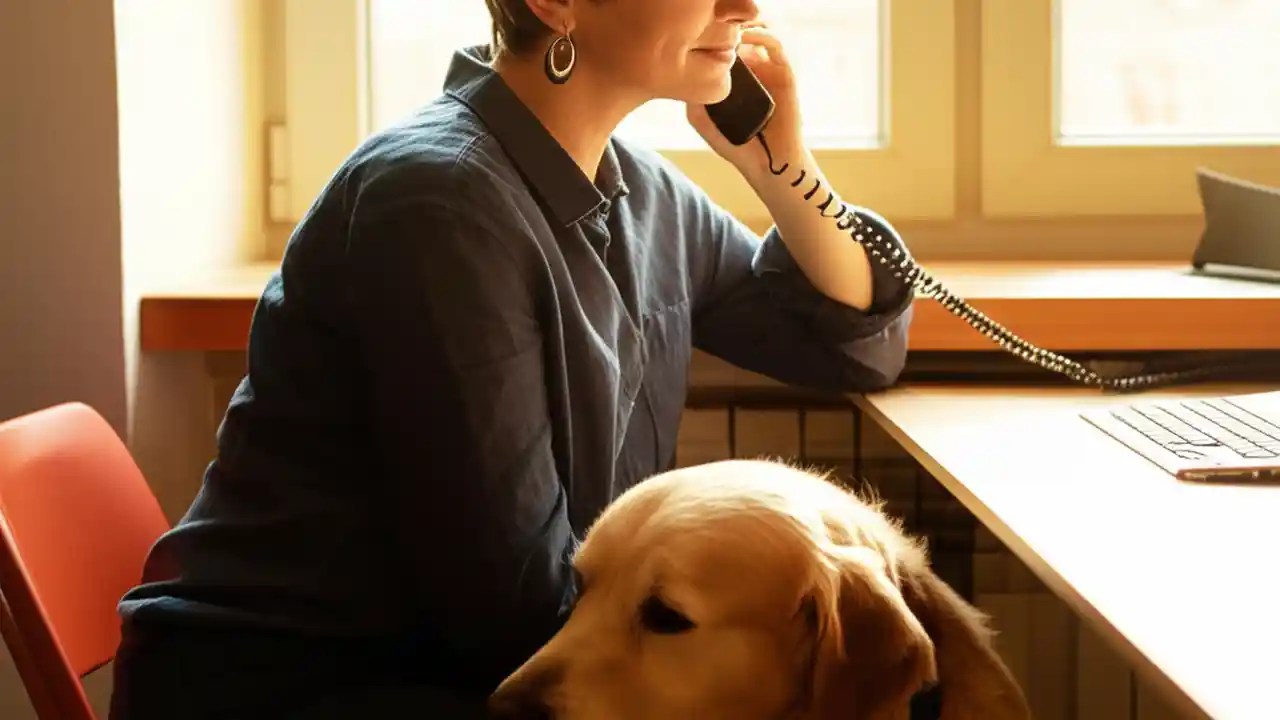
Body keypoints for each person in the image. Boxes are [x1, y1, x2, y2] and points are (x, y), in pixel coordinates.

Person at [108, 0, 916, 717]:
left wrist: (782, 165)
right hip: (307, 685)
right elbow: (510, 612)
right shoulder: (438, 205)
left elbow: (844, 339)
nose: (745, 5)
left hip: (477, 671)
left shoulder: (638, 190)